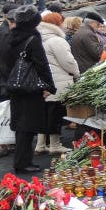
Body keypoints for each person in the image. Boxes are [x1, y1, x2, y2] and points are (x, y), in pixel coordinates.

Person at [3, 6, 56, 173]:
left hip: (16, 86)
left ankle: (22, 161)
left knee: (20, 126)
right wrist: (49, 85)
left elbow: (6, 61)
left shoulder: (11, 37)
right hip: (30, 88)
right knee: (28, 126)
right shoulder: (32, 39)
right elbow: (41, 64)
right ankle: (23, 163)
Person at [36, 13, 78, 155]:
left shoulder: (39, 39)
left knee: (44, 114)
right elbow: (68, 62)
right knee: (56, 114)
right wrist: (76, 73)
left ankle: (41, 144)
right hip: (57, 82)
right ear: (57, 23)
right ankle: (55, 145)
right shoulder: (57, 41)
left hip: (43, 82)